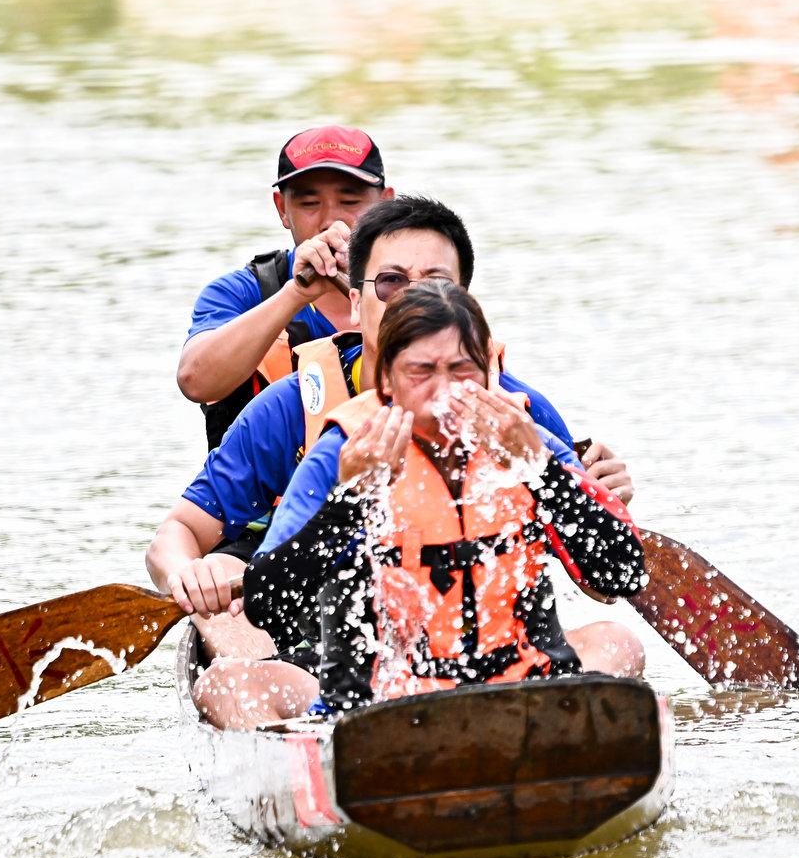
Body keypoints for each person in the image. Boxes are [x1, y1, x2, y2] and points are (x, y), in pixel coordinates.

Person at [146, 196, 636, 666]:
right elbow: (267, 596)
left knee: (618, 646)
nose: (414, 300)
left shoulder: (520, 419)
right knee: (231, 673)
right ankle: (297, 736)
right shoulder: (320, 426)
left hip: (498, 657)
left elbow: (610, 580)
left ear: (463, 303)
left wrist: (560, 482)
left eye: (435, 281)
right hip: (357, 664)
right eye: (391, 283)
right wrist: (354, 493)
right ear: (356, 304)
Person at [212, 281, 649, 727]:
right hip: (378, 711)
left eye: (462, 370)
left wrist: (541, 472)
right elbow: (269, 606)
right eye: (421, 372)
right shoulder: (344, 450)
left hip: (522, 694)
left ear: (488, 373)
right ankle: (302, 777)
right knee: (221, 683)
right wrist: (349, 502)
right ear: (387, 380)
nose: (444, 392)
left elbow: (623, 573)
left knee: (620, 644)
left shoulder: (525, 441)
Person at [178, 125, 393, 450]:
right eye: (309, 203)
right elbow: (195, 382)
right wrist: (298, 292)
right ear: (282, 209)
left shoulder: (417, 284)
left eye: (349, 201)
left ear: (386, 204)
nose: (330, 222)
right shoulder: (239, 292)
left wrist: (371, 292)